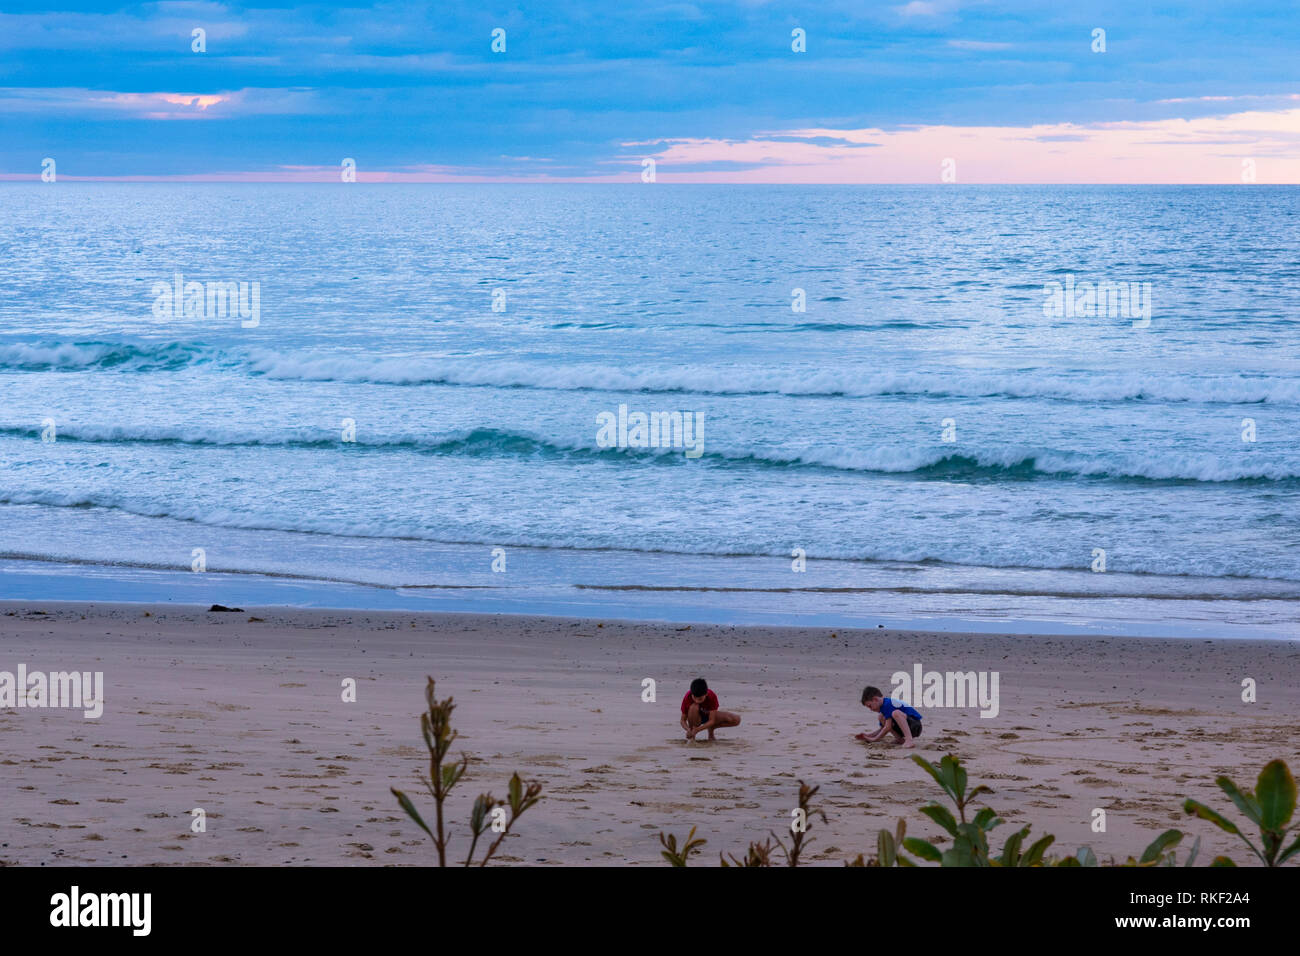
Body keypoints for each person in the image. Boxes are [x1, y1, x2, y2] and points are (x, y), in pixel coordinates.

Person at [856, 685, 922, 748]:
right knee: (881, 717)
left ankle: (909, 740)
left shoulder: (888, 704)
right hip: (907, 726)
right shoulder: (883, 707)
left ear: (875, 699)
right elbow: (883, 728)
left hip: (915, 726)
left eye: (870, 706)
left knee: (896, 713)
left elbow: (887, 727)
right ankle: (900, 740)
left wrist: (874, 739)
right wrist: (869, 735)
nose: (871, 709)